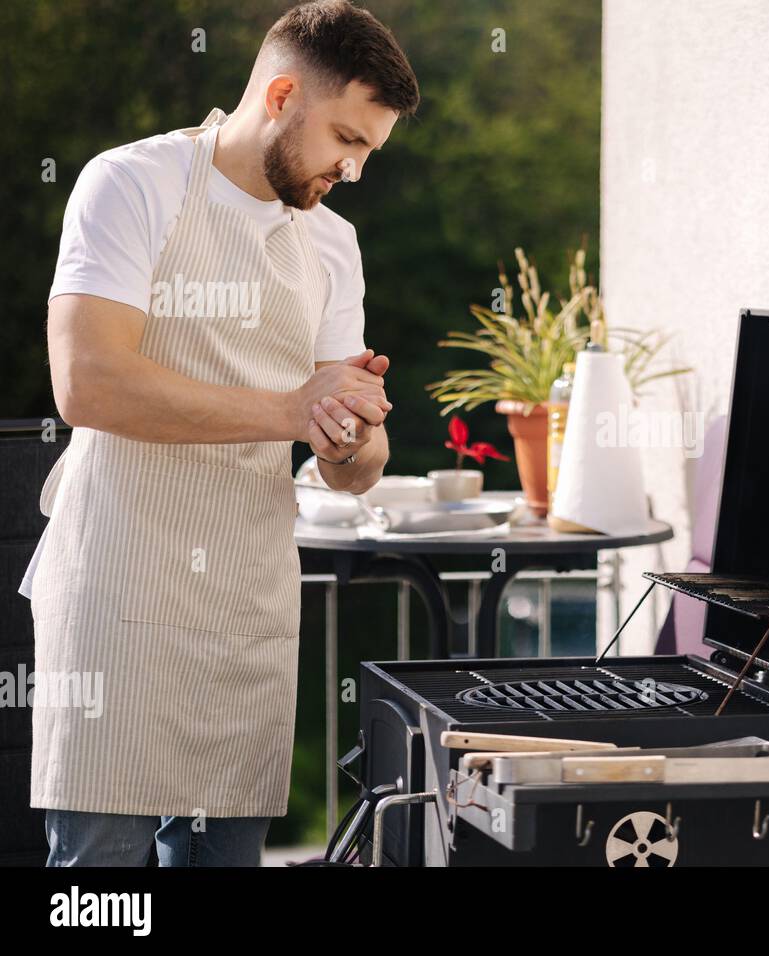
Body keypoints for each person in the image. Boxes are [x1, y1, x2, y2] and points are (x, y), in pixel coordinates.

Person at [21, 0, 420, 866]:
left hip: (247, 601)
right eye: (346, 140)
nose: (352, 170)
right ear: (281, 95)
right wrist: (291, 410)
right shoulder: (131, 182)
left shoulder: (334, 245)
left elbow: (357, 469)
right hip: (117, 590)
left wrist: (348, 438)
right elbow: (88, 383)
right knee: (101, 877)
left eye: (368, 152)